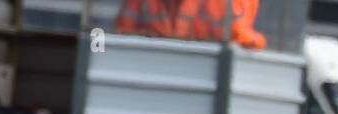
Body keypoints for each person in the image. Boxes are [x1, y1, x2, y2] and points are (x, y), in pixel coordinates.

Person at [114, 0, 267, 50]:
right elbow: (120, 41)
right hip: (146, 88)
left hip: (205, 92)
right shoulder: (140, 2)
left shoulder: (225, 4)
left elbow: (241, 43)